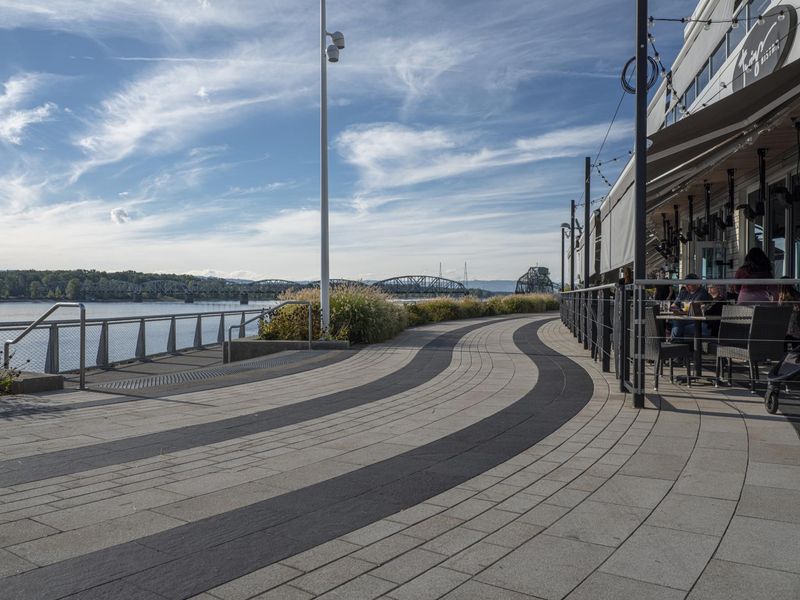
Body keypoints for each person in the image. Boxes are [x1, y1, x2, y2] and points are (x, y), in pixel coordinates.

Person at [670, 273, 711, 341]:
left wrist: (680, 311)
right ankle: (675, 344)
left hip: (696, 319)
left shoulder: (702, 292)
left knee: (677, 322)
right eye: (686, 284)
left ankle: (673, 343)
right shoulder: (683, 292)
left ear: (696, 284)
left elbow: (694, 309)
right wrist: (677, 310)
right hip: (684, 317)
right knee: (674, 321)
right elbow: (673, 306)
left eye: (689, 284)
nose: (686, 286)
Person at [777, 279, 800, 346]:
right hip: (796, 330)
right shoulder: (797, 295)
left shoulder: (783, 299)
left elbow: (780, 314)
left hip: (787, 330)